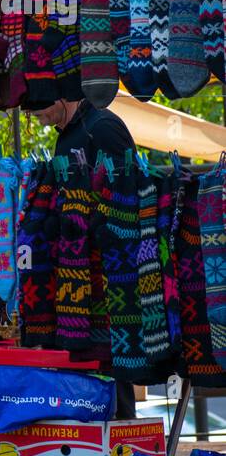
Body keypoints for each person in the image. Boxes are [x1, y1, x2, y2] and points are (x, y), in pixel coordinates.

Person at [27, 95, 138, 418]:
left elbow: (127, 189)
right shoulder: (67, 136)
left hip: (111, 277)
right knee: (82, 377)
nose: (34, 111)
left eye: (40, 100)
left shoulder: (102, 127)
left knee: (112, 372)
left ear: (61, 93)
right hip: (76, 283)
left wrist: (94, 224)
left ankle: (123, 454)